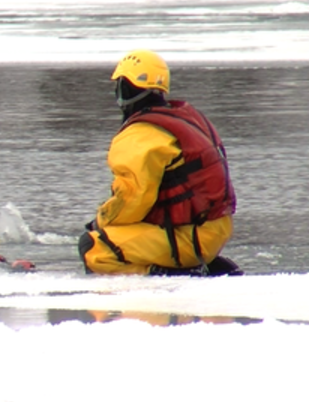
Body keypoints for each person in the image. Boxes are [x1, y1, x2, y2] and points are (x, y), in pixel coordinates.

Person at [79, 49, 240, 276]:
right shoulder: (187, 118)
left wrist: (101, 221)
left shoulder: (141, 134)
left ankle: (173, 273)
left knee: (94, 247)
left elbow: (132, 200)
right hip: (216, 230)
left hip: (191, 237)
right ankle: (197, 263)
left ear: (125, 89)